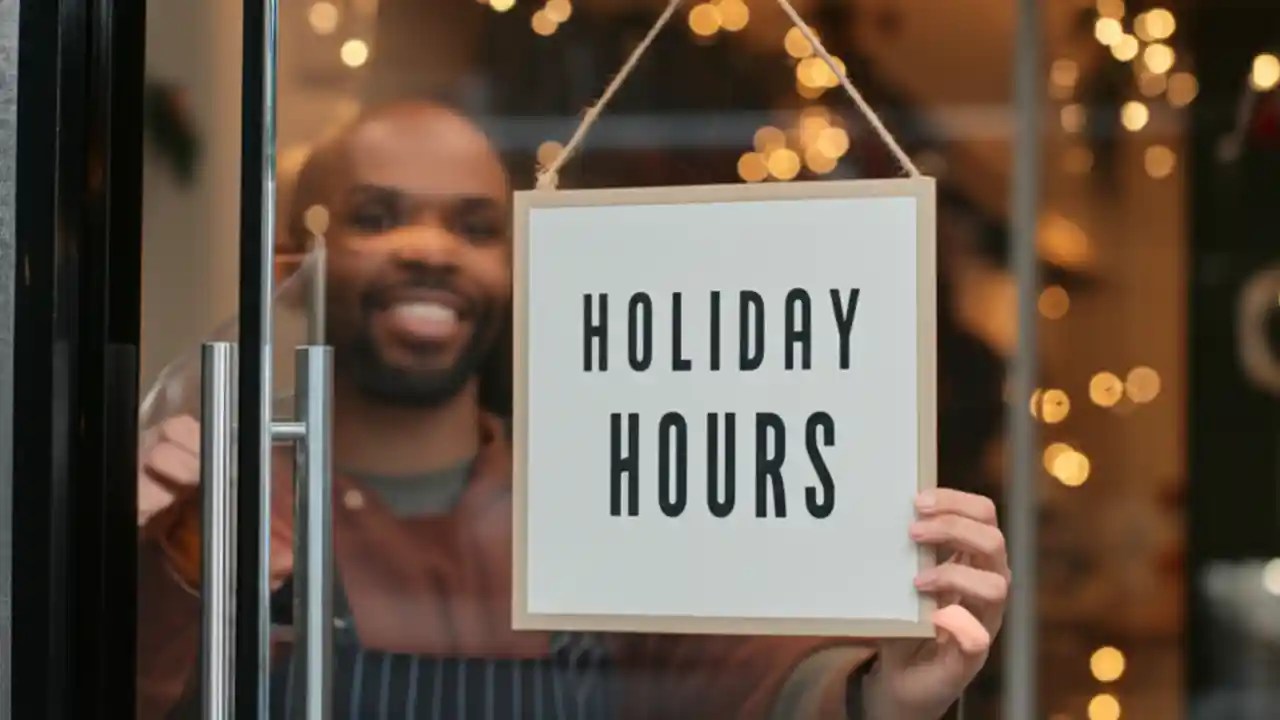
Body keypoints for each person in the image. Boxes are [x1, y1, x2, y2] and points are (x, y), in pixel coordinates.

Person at [136, 101, 1010, 719]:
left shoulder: (594, 495)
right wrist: (166, 566)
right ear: (295, 259)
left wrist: (883, 694)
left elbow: (746, 677)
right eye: (376, 216)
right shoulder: (220, 504)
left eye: (477, 228)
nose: (432, 250)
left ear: (518, 274)